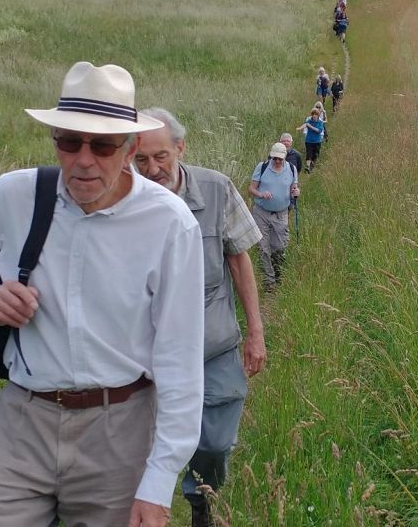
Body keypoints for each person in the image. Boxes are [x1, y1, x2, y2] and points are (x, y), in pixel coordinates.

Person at [0, 62, 205, 527]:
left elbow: (180, 359)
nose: (83, 160)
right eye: (68, 141)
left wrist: (159, 481)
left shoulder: (169, 223)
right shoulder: (14, 195)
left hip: (120, 430)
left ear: (131, 148)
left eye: (102, 145)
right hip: (25, 421)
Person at [134, 108, 268, 527]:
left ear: (180, 148)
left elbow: (239, 260)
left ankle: (200, 499)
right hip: (146, 356)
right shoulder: (122, 202)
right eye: (141, 160)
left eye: (161, 157)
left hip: (214, 348)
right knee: (138, 444)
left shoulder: (215, 188)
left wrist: (255, 333)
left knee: (214, 442)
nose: (152, 169)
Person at [249, 143, 299, 291]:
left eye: (280, 159)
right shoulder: (262, 167)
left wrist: (296, 192)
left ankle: (278, 272)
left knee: (279, 246)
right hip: (261, 212)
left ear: (284, 157)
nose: (277, 161)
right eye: (274, 158)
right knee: (263, 247)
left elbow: (294, 189)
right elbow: (251, 189)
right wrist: (261, 194)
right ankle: (269, 281)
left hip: (281, 214)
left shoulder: (291, 169)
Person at [297, 105, 326, 173]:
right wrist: (300, 128)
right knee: (309, 154)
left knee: (315, 154)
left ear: (318, 115)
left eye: (315, 114)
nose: (314, 116)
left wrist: (311, 127)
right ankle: (307, 167)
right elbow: (305, 124)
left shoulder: (320, 122)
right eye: (313, 114)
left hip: (317, 141)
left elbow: (319, 131)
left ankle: (312, 166)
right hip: (309, 141)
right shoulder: (309, 120)